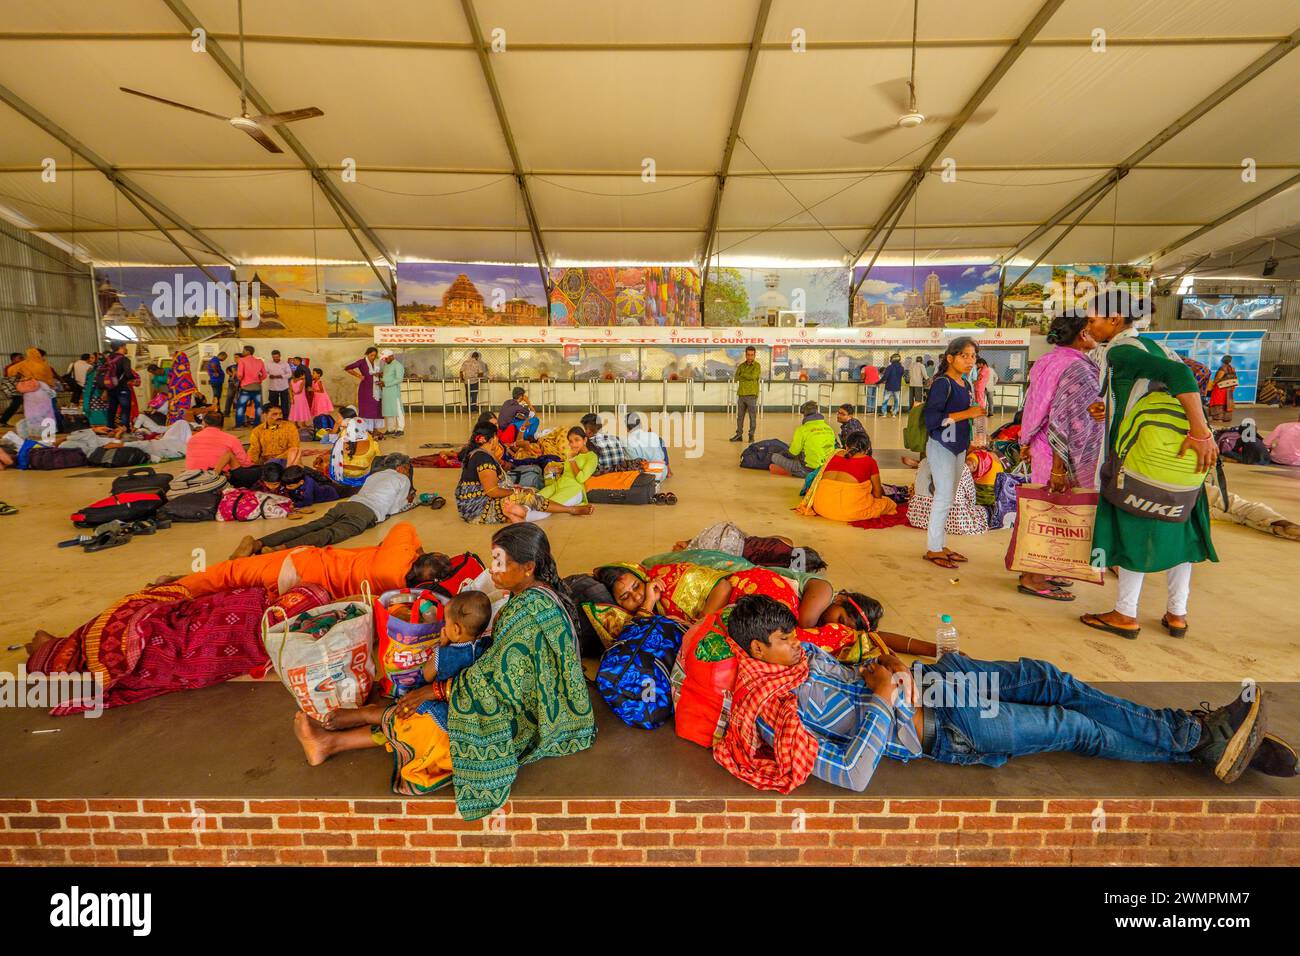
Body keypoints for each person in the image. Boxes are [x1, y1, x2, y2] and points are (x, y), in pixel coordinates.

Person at [718, 594, 1282, 794]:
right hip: (949, 728)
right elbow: (852, 774)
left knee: (1049, 677)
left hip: (943, 684)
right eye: (785, 640)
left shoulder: (800, 660)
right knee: (1071, 724)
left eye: (795, 633)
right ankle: (1198, 739)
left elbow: (853, 666)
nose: (799, 644)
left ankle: (1198, 736)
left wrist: (887, 665)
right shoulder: (776, 711)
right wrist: (882, 696)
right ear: (756, 651)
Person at [294, 523, 597, 817]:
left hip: (532, 724)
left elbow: (499, 680)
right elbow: (505, 662)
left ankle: (333, 741)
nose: (492, 569)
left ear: (528, 567)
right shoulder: (530, 597)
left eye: (500, 562)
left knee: (428, 718)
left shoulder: (529, 611)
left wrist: (437, 688)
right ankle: (333, 740)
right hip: (529, 701)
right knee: (425, 703)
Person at [1081, 292, 1217, 641]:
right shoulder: (1156, 347)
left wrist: (1202, 433)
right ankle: (1177, 613)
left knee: (1133, 531)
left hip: (1143, 460)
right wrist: (1109, 409)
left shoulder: (1120, 350)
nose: (1089, 324)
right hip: (1180, 459)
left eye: (1093, 318)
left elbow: (1177, 375)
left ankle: (1125, 614)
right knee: (1178, 531)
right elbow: (1162, 386)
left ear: (1115, 319)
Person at [1013, 312, 1104, 601]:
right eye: (1091, 329)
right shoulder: (1075, 368)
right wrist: (1058, 466)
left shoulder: (1047, 360)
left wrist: (1026, 440)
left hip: (1042, 443)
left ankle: (1040, 568)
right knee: (1054, 512)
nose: (1096, 334)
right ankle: (1034, 576)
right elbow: (1066, 419)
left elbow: (1034, 406)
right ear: (1081, 334)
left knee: (1042, 510)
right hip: (1060, 452)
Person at [167, 521, 448, 599]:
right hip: (307, 589)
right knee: (237, 585)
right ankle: (186, 582)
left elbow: (404, 528)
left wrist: (415, 550)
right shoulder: (401, 592)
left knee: (227, 574)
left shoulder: (397, 557)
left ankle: (174, 587)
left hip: (301, 565)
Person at [229, 454, 415, 557]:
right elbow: (394, 509)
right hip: (366, 512)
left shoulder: (375, 475)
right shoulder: (402, 479)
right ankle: (279, 549)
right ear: (401, 468)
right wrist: (410, 501)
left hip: (348, 504)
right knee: (328, 534)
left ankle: (258, 542)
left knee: (310, 526)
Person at [921, 336, 985, 570]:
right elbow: (933, 420)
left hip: (959, 447)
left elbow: (966, 417)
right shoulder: (942, 384)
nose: (970, 361)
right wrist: (967, 414)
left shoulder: (965, 385)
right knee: (943, 497)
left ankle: (941, 543)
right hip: (941, 446)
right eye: (964, 355)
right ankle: (933, 548)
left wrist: (972, 439)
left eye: (973, 356)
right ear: (951, 358)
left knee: (948, 497)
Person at [455, 422, 592, 524]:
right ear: (488, 439)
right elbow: (492, 491)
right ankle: (571, 510)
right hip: (478, 509)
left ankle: (517, 514)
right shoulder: (482, 457)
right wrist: (513, 492)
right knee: (529, 497)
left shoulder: (478, 454)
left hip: (476, 505)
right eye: (496, 436)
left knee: (530, 491)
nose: (497, 440)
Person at [795, 430, 898, 524]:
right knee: (888, 503)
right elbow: (877, 494)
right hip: (848, 512)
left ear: (846, 446)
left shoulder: (834, 454)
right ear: (867, 450)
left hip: (820, 506)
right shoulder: (869, 461)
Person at [668, 523, 826, 573]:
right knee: (698, 556)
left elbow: (761, 540)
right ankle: (685, 549)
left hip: (729, 535)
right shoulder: (784, 571)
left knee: (699, 544)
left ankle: (687, 543)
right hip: (726, 552)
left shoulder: (786, 542)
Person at [534, 426, 597, 519]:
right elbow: (568, 471)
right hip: (559, 484)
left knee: (545, 507)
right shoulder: (573, 454)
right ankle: (515, 512)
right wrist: (556, 470)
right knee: (533, 499)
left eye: (577, 440)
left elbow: (581, 478)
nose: (573, 444)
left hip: (573, 489)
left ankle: (518, 518)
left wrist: (572, 459)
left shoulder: (591, 457)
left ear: (585, 440)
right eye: (571, 441)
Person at [770, 401, 835, 480]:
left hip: (807, 470)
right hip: (826, 470)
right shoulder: (829, 428)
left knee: (774, 457)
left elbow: (792, 453)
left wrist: (783, 453)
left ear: (804, 414)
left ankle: (793, 472)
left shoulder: (802, 430)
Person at [185, 410, 253, 473]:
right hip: (220, 477)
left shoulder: (192, 439)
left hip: (192, 477)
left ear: (204, 423)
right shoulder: (231, 439)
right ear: (222, 425)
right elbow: (245, 463)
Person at [344, 346, 385, 435]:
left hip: (377, 388)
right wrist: (358, 376)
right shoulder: (362, 362)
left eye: (374, 355)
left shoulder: (377, 362)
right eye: (371, 355)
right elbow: (347, 368)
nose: (373, 357)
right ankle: (367, 429)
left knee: (377, 407)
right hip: (366, 389)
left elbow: (380, 373)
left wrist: (380, 374)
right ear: (367, 354)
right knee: (367, 409)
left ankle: (375, 429)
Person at [625, 411, 669, 483]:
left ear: (627, 428)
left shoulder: (627, 441)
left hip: (643, 477)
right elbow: (662, 455)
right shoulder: (653, 435)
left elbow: (633, 463)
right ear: (641, 424)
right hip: (661, 474)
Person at [731, 346, 762, 443]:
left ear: (754, 355)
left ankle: (751, 435)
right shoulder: (741, 366)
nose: (750, 357)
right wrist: (745, 376)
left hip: (752, 395)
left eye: (752, 355)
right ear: (745, 354)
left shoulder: (757, 366)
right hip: (741, 394)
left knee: (752, 417)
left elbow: (753, 376)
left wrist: (743, 375)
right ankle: (739, 435)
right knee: (740, 417)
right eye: (748, 355)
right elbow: (736, 377)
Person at [102, 343, 136, 429]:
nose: (126, 349)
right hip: (122, 388)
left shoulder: (108, 359)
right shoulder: (124, 359)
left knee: (112, 409)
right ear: (121, 347)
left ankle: (110, 428)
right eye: (125, 347)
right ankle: (125, 429)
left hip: (110, 388)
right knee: (125, 410)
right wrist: (133, 378)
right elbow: (128, 374)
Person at [234, 345, 267, 427]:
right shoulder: (259, 361)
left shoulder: (242, 360)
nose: (242, 352)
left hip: (246, 387)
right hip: (257, 387)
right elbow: (265, 375)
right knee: (258, 407)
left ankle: (239, 425)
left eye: (244, 351)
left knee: (241, 406)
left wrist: (240, 379)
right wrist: (259, 380)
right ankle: (256, 424)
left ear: (248, 352)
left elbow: (240, 374)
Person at [163, 351, 199, 425]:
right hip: (182, 393)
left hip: (172, 393)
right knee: (182, 409)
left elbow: (168, 381)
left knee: (173, 409)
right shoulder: (183, 368)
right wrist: (195, 390)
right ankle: (182, 426)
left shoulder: (172, 368)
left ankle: (173, 425)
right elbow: (188, 379)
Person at [379, 349, 406, 436]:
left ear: (391, 356)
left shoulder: (398, 365)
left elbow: (399, 379)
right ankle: (390, 429)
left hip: (394, 392)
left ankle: (400, 429)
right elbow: (388, 376)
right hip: (386, 392)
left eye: (386, 358)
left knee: (398, 411)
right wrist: (381, 377)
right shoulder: (386, 365)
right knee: (388, 411)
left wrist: (385, 383)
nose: (384, 360)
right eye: (384, 359)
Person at [1208, 355, 1237, 424]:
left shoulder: (1222, 368)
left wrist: (1213, 383)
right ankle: (1227, 418)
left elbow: (1218, 377)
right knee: (1227, 402)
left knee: (1218, 402)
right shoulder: (1232, 368)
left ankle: (1218, 418)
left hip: (1221, 388)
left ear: (1222, 360)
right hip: (1229, 388)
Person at [264, 349, 292, 418]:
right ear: (272, 357)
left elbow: (290, 374)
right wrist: (269, 376)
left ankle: (285, 418)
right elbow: (265, 373)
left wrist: (281, 376)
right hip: (272, 387)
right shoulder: (268, 363)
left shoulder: (285, 363)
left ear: (280, 356)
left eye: (277, 357)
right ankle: (274, 417)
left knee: (285, 404)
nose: (275, 358)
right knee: (273, 404)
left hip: (284, 387)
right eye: (274, 357)